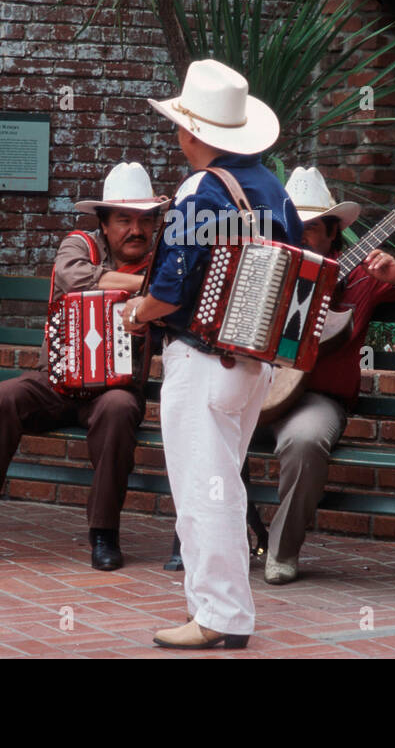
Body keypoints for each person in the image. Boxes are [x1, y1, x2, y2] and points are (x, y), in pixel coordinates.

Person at [121, 59, 299, 650]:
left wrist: (133, 312)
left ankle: (219, 614)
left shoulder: (201, 189)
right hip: (251, 362)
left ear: (192, 132)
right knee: (222, 480)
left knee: (204, 486)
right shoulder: (272, 186)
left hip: (201, 359)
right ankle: (223, 612)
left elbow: (171, 290)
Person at [0, 161, 168, 571]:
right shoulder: (79, 245)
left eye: (145, 220)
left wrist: (144, 290)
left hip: (115, 387)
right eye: (125, 219)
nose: (137, 230)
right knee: (3, 396)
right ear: (104, 223)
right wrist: (147, 290)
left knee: (119, 410)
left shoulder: (162, 261)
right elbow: (73, 278)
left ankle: (104, 533)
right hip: (55, 378)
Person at [261, 166, 395, 585]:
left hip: (316, 397)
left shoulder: (362, 274)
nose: (298, 233)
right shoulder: (266, 263)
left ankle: (282, 552)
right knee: (210, 423)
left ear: (331, 231)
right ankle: (214, 541)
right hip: (256, 387)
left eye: (309, 227)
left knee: (305, 442)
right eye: (292, 225)